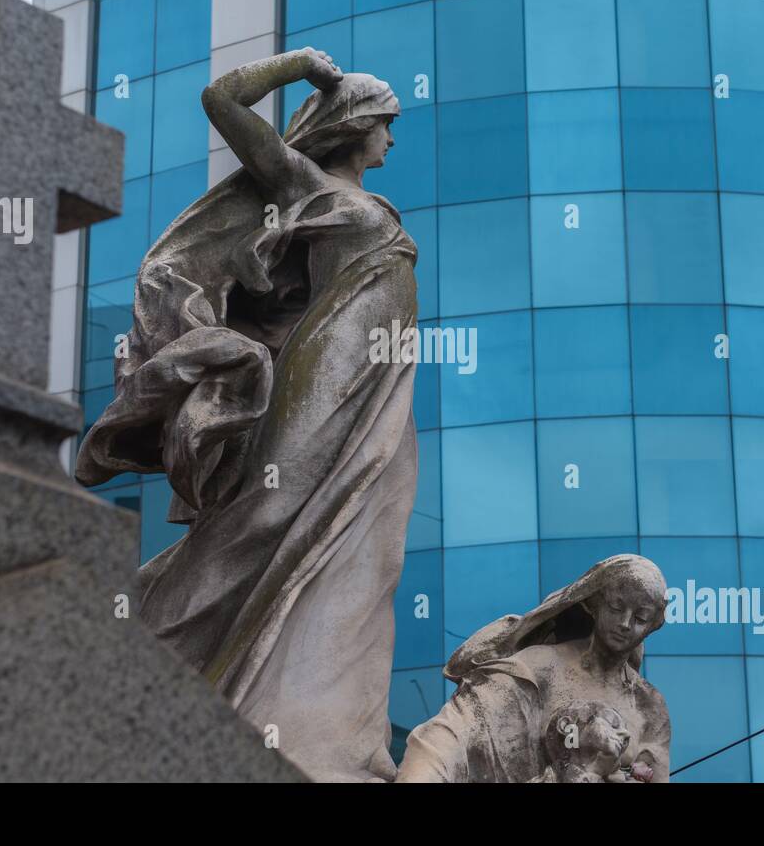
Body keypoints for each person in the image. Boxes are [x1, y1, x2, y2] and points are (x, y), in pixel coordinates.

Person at [76, 49, 417, 782]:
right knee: (269, 514)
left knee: (366, 543)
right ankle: (147, 638)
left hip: (383, 390)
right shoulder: (304, 182)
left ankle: (326, 734)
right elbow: (220, 98)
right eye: (386, 122)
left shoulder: (363, 201)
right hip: (325, 371)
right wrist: (296, 66)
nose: (393, 139)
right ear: (355, 123)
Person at [396, 555, 672, 783]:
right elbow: (451, 733)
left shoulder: (649, 707)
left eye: (640, 617)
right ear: (594, 602)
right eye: (616, 607)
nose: (625, 623)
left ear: (653, 625)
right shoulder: (539, 668)